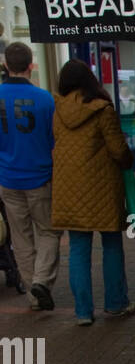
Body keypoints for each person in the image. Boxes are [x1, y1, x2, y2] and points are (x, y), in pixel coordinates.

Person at [52, 58, 135, 326]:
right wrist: (127, 161)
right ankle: (115, 303)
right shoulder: (102, 109)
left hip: (69, 189)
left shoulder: (58, 110)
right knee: (111, 245)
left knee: (78, 249)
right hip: (102, 189)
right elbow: (118, 150)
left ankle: (82, 312)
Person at [0, 41, 61, 310]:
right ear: (31, 66)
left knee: (21, 237)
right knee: (49, 232)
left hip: (8, 179)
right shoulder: (46, 99)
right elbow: (54, 141)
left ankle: (33, 295)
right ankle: (41, 280)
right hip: (41, 177)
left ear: (5, 66)